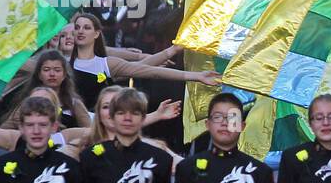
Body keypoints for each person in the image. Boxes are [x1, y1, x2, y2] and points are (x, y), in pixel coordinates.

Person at [68, 12, 219, 111]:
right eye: (77, 27)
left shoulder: (105, 64)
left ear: (96, 34)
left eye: (86, 28)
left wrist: (196, 75)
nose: (81, 31)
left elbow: (150, 71)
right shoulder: (61, 64)